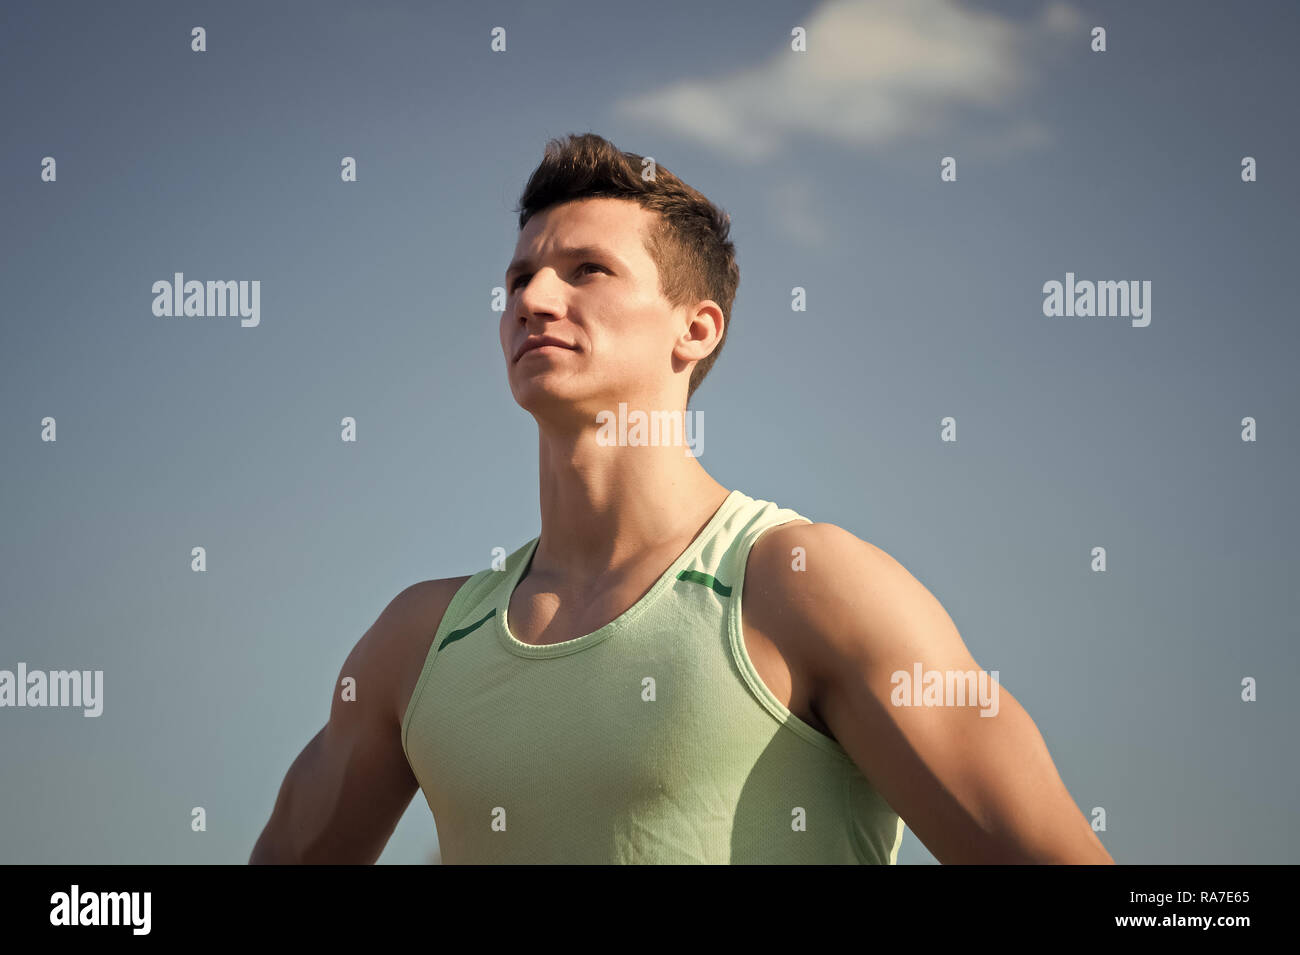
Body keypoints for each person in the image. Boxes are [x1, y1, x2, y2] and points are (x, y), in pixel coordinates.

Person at [250, 133, 1114, 864]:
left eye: (586, 270)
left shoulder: (806, 587)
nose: (533, 300)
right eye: (518, 281)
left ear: (695, 328)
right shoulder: (418, 642)